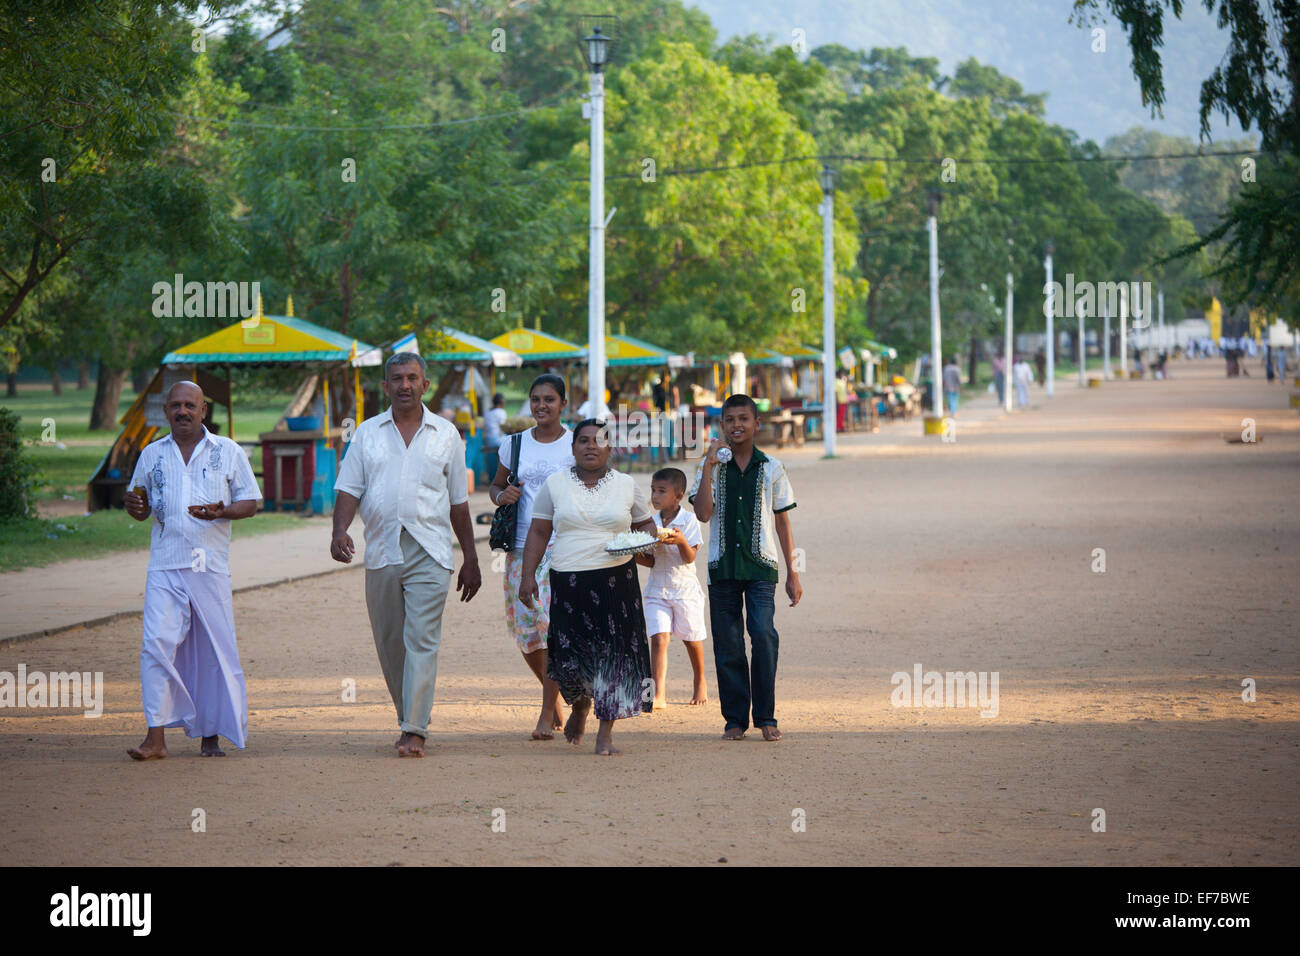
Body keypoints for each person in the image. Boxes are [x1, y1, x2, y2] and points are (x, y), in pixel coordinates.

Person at [331, 352, 482, 758]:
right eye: (396, 378)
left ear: (425, 385)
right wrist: (339, 530)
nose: (404, 385)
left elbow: (458, 502)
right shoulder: (366, 433)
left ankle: (414, 728)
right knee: (390, 642)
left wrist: (471, 557)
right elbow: (349, 488)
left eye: (412, 378)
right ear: (384, 386)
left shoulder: (446, 434)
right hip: (381, 549)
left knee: (421, 639)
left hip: (430, 550)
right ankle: (410, 715)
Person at [123, 381, 262, 760]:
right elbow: (139, 504)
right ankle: (155, 738)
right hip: (165, 565)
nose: (182, 412)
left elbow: (250, 502)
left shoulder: (227, 451)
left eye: (190, 405)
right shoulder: (152, 455)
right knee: (156, 645)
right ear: (166, 412)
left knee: (213, 652)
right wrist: (134, 508)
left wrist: (222, 511)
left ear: (204, 411)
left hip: (210, 567)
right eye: (176, 406)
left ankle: (211, 734)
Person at [518, 419, 656, 756]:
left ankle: (605, 734)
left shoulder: (626, 485)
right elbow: (538, 531)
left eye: (598, 441)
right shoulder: (555, 484)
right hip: (568, 580)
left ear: (611, 448)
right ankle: (579, 705)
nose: (590, 446)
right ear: (573, 447)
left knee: (614, 657)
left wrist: (647, 543)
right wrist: (527, 576)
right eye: (583, 440)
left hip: (616, 581)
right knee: (568, 657)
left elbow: (647, 524)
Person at [691, 394, 802, 742]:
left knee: (764, 634)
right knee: (728, 645)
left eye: (744, 419)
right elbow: (703, 514)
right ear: (721, 425)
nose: (737, 425)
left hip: (761, 567)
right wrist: (709, 466)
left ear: (757, 424)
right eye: (730, 419)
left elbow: (782, 522)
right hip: (721, 567)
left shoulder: (772, 467)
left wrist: (793, 573)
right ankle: (734, 720)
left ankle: (766, 716)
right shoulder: (710, 467)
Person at [487, 373, 574, 740]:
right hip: (520, 548)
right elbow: (495, 485)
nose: (541, 406)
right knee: (527, 634)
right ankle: (552, 698)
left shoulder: (576, 442)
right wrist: (499, 496)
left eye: (549, 400)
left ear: (562, 404)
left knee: (553, 631)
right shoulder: (514, 445)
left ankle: (544, 714)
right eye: (536, 399)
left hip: (563, 549)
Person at [634, 468, 708, 709]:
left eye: (662, 491)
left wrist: (681, 541)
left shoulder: (688, 521)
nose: (655, 496)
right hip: (657, 588)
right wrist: (634, 552)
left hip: (684, 589)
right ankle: (658, 693)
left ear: (678, 496)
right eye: (653, 490)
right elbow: (651, 560)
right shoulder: (650, 523)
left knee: (692, 639)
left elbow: (690, 557)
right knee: (659, 638)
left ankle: (700, 680)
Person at [482, 393, 508, 483]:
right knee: (511, 444)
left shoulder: (487, 412)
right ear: (502, 402)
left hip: (488, 440)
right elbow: (503, 427)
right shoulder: (501, 412)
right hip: (497, 440)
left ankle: (492, 477)